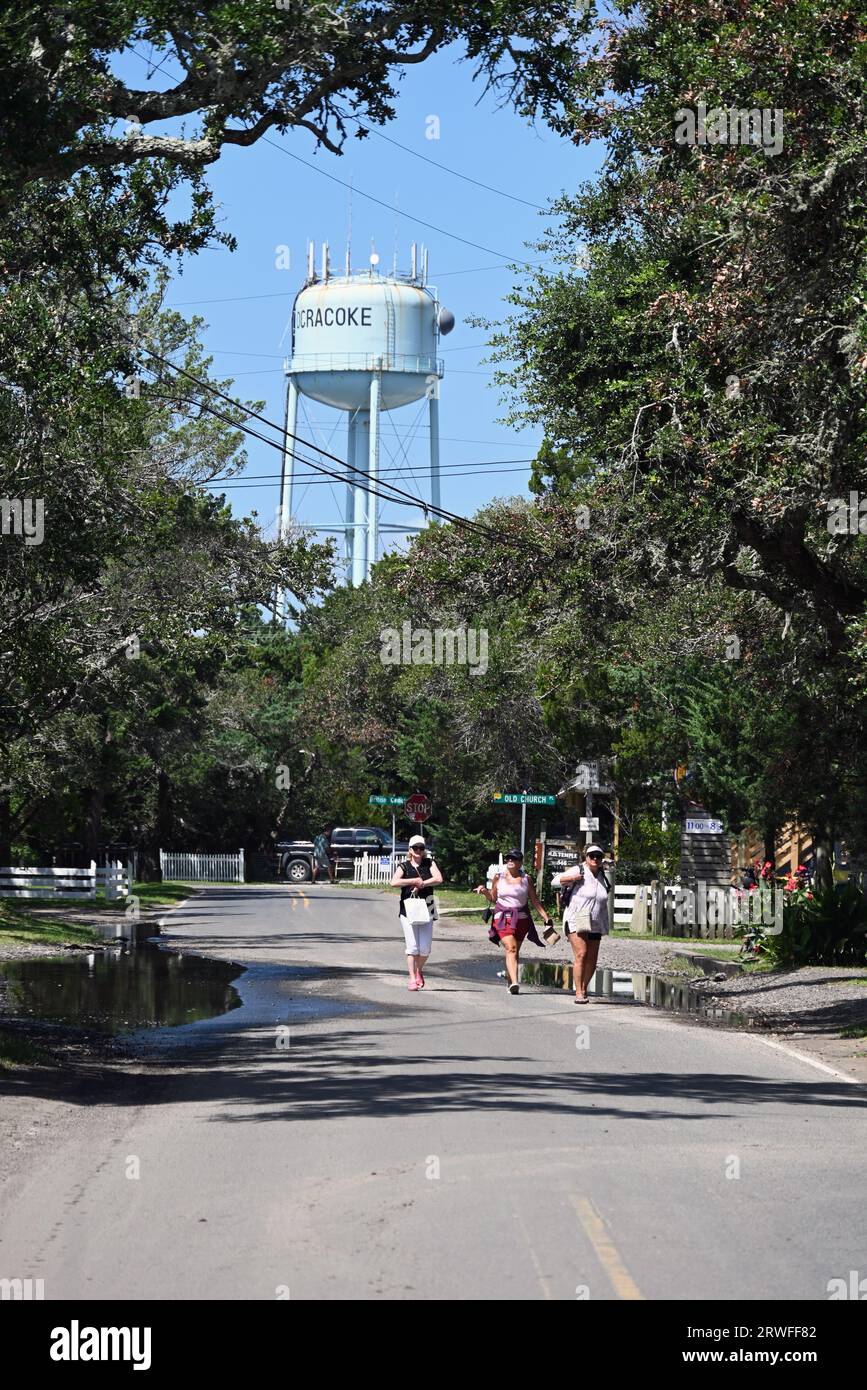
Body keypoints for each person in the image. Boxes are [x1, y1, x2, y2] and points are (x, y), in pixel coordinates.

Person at [475, 848, 555, 995]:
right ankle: (515, 982)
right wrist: (485, 891)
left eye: (514, 858)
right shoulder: (499, 877)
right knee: (511, 948)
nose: (510, 861)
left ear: (520, 862)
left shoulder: (526, 879)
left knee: (514, 951)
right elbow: (493, 898)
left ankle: (510, 980)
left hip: (522, 919)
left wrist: (546, 917)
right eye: (508, 858)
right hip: (502, 917)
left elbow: (534, 900)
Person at [558, 844, 611, 1004]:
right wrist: (573, 879)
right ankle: (579, 992)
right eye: (591, 855)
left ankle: (583, 987)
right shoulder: (578, 870)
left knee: (592, 960)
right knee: (582, 954)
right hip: (578, 917)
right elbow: (556, 881)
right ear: (586, 857)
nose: (595, 859)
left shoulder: (602, 875)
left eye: (598, 856)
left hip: (596, 920)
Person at [391, 834, 443, 991]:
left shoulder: (429, 863)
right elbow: (393, 882)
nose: (418, 850)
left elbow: (439, 879)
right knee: (412, 947)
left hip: (428, 905)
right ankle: (412, 979)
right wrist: (412, 881)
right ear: (410, 850)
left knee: (425, 948)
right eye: (415, 848)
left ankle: (418, 970)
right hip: (408, 908)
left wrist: (422, 884)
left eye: (421, 848)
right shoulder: (404, 866)